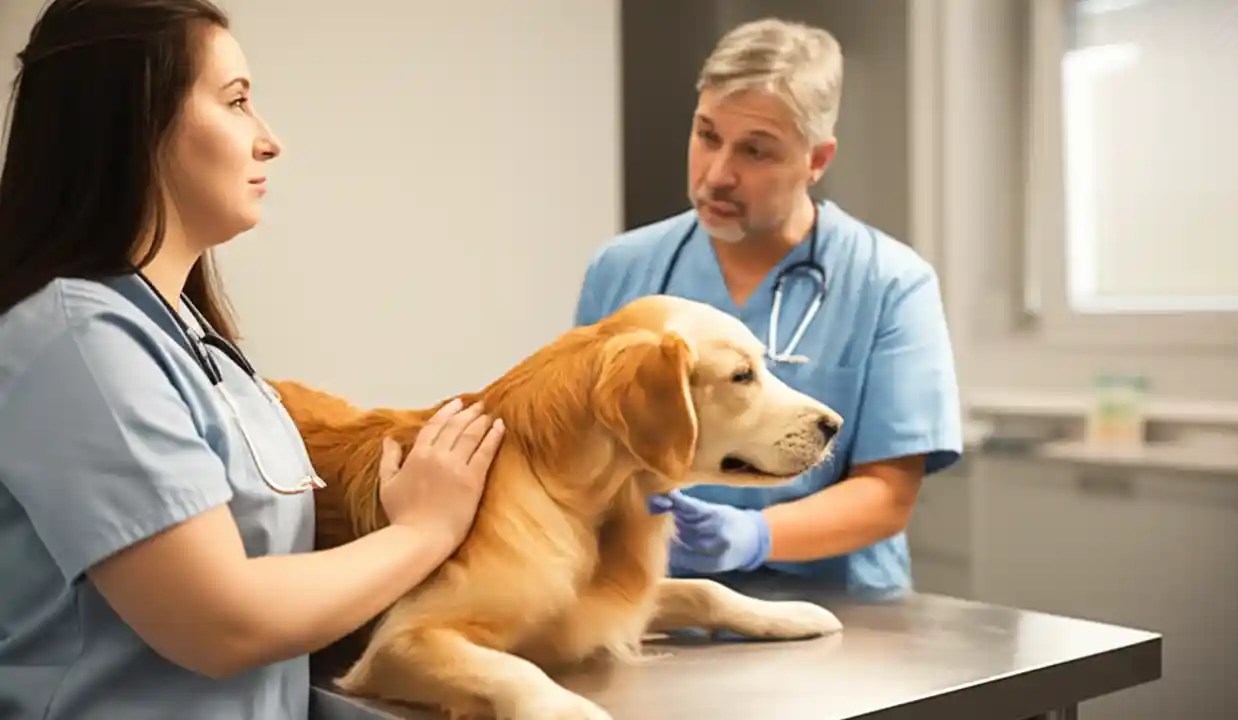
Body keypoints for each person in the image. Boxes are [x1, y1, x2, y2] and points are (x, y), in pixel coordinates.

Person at [0, 2, 505, 718]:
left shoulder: (186, 334)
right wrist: (424, 532)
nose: (270, 141)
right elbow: (222, 624)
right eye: (237, 103)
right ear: (139, 119)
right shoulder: (76, 345)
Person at [574, 17, 963, 600]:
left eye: (755, 151)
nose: (718, 174)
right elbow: (583, 444)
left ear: (817, 159)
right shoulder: (624, 269)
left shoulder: (890, 282)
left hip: (839, 613)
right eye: (707, 135)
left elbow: (886, 493)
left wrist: (751, 535)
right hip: (660, 602)